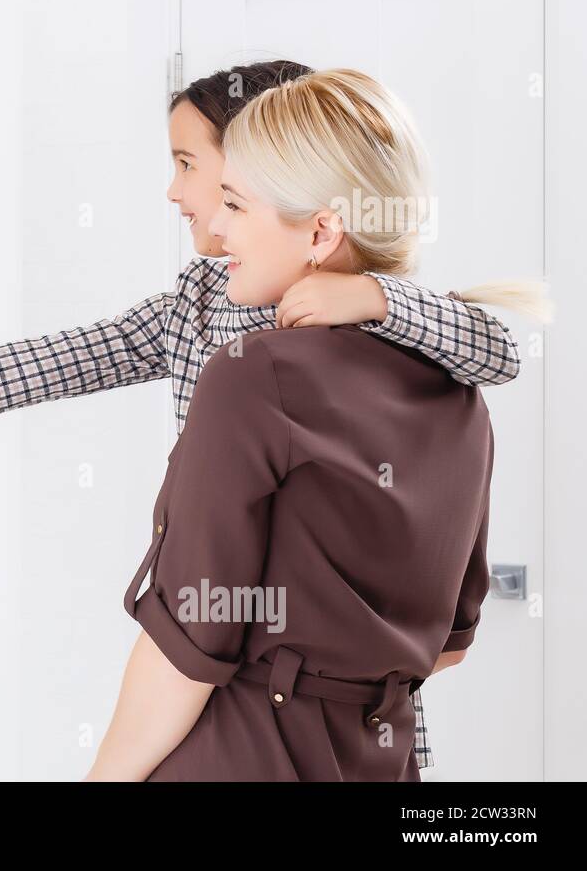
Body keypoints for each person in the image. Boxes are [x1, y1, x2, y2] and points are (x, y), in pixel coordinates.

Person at [0, 60, 525, 771]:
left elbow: (495, 344)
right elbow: (54, 360)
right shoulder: (205, 302)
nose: (175, 190)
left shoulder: (383, 345)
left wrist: (375, 297)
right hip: (316, 708)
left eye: (192, 166)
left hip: (268, 703)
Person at [85, 68, 546, 781]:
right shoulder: (461, 395)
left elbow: (187, 648)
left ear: (322, 231)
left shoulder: (251, 374)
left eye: (234, 203)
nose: (213, 223)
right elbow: (451, 642)